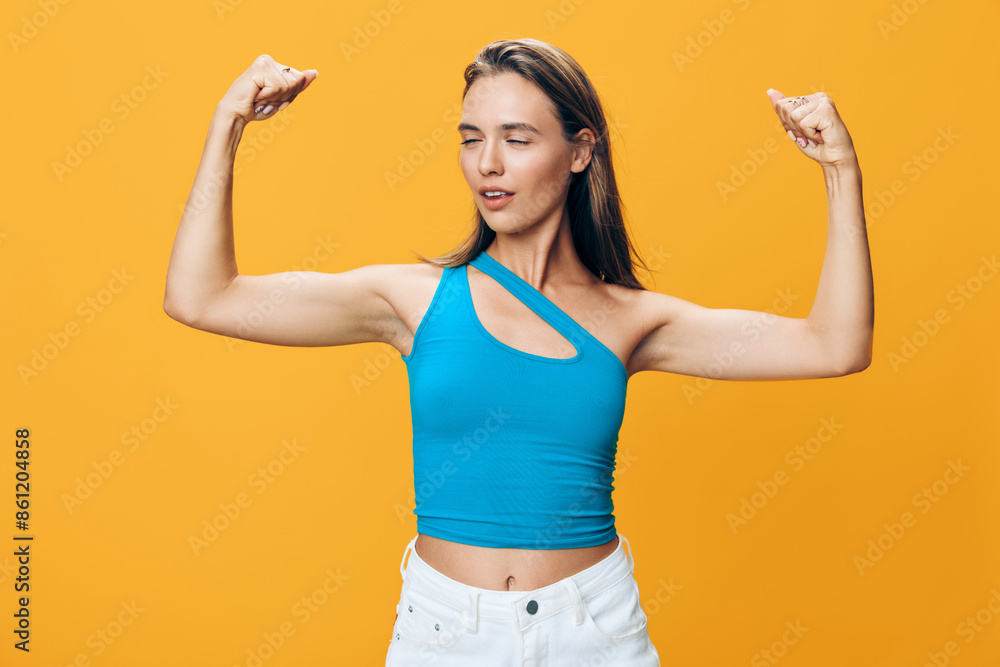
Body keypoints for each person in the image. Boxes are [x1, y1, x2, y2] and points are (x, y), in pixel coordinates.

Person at [163, 39, 873, 667]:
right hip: (444, 632)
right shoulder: (413, 300)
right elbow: (203, 296)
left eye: (517, 138)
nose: (488, 164)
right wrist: (228, 124)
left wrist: (839, 170)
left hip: (593, 630)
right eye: (471, 138)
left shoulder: (632, 318)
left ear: (580, 150)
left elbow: (834, 344)